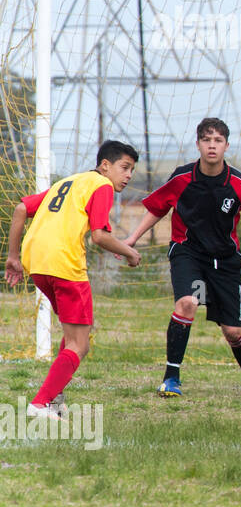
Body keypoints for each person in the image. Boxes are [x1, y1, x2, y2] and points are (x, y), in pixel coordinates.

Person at [124, 118, 241, 398]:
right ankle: (171, 378)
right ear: (198, 144)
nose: (212, 146)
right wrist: (132, 239)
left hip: (225, 262)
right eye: (206, 140)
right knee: (188, 303)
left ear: (226, 146)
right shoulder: (182, 178)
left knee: (232, 331)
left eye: (217, 140)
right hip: (188, 254)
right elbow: (158, 207)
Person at [5, 141, 143, 418]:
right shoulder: (101, 185)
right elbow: (100, 236)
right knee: (80, 344)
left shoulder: (68, 182)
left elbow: (21, 209)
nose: (128, 175)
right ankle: (40, 403)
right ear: (105, 165)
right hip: (64, 263)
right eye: (124, 168)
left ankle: (55, 400)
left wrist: (12, 257)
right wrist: (130, 252)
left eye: (132, 170)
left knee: (72, 337)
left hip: (37, 262)